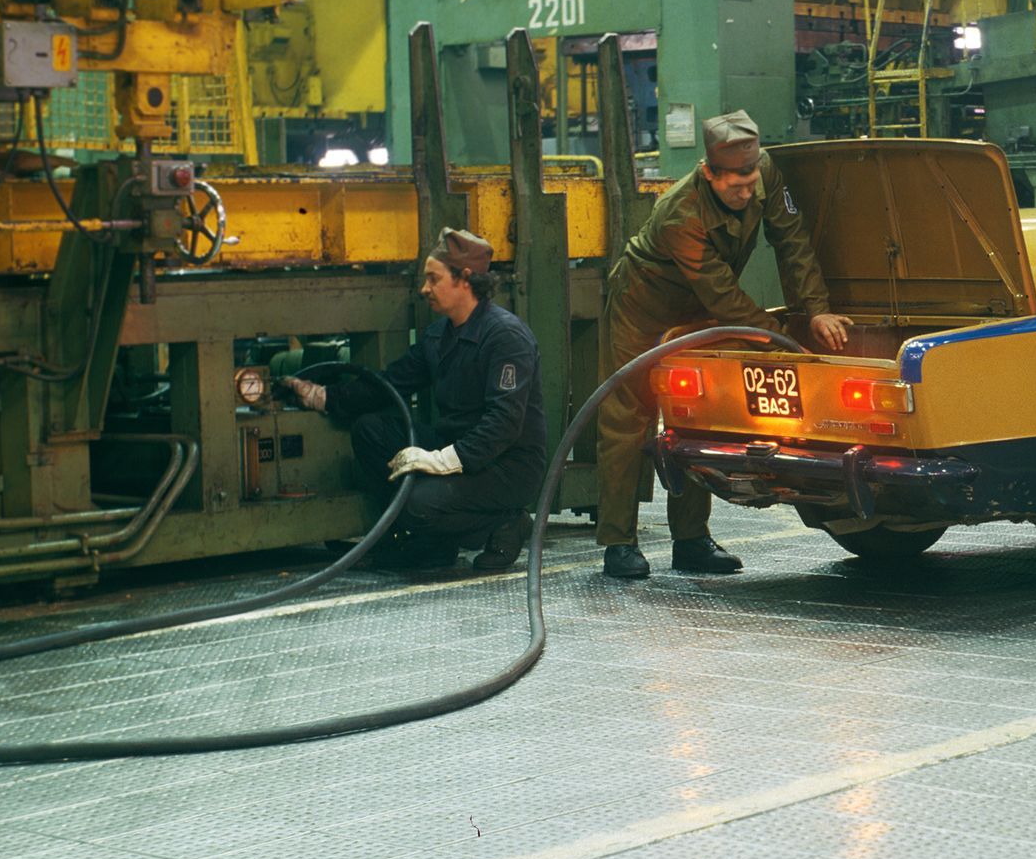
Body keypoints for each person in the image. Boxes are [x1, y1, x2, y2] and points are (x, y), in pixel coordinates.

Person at [597, 109, 850, 580]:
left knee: (695, 414)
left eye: (751, 176)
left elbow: (792, 240)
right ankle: (618, 543)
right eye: (734, 180)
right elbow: (723, 295)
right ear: (708, 172)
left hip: (700, 304)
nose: (746, 189)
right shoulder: (680, 213)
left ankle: (691, 541)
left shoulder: (765, 172)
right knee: (628, 421)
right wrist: (778, 342)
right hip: (645, 304)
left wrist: (815, 310)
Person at [283, 228, 546, 574]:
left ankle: (505, 522)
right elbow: (390, 385)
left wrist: (439, 461)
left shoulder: (505, 337)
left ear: (464, 279)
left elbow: (503, 425)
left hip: (506, 465)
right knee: (370, 430)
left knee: (418, 505)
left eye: (433, 279)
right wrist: (323, 397)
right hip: (459, 447)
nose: (425, 289)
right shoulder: (438, 336)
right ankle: (432, 544)